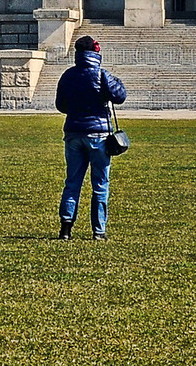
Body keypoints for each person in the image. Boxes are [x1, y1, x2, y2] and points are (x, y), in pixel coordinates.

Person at [55, 34, 127, 240]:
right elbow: (120, 96)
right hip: (99, 135)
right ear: (96, 53)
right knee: (100, 184)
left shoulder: (68, 75)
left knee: (73, 182)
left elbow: (61, 105)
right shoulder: (102, 75)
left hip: (74, 132)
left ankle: (66, 229)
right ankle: (98, 230)